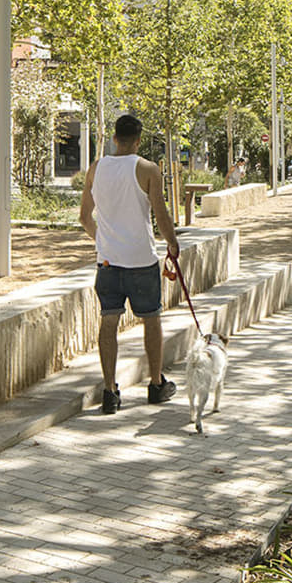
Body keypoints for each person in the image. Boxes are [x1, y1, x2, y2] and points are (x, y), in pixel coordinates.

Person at [79, 112, 180, 414]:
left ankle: (110, 392)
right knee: (151, 318)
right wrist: (172, 244)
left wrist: (103, 242)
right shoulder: (148, 169)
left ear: (113, 139)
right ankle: (156, 383)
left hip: (107, 262)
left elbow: (84, 218)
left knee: (109, 321)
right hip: (141, 260)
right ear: (138, 140)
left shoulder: (95, 169)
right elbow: (160, 216)